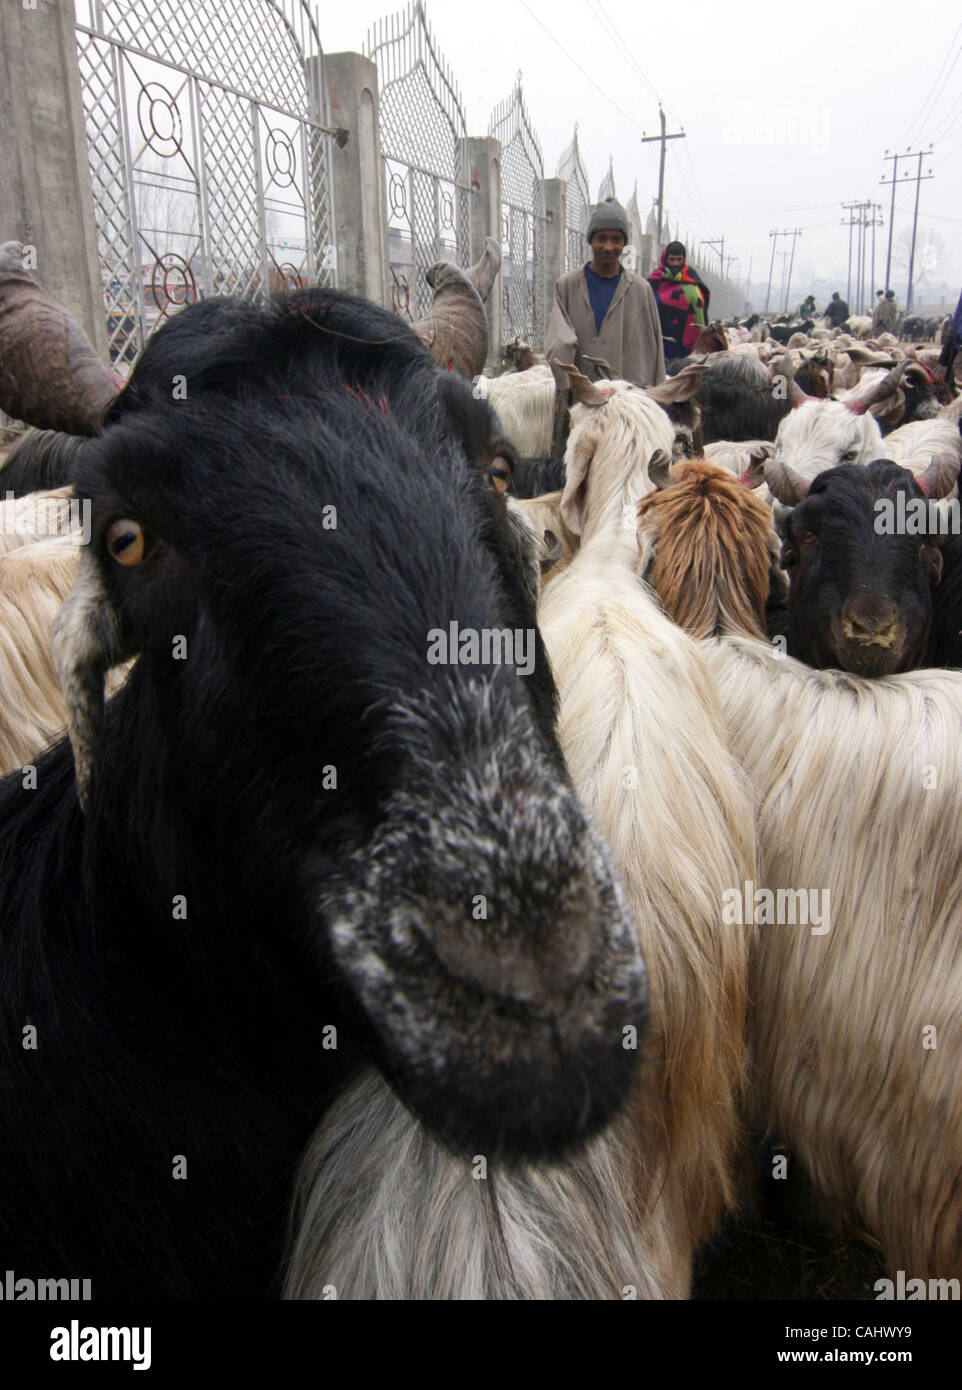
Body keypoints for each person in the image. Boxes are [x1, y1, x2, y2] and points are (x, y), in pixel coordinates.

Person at [544, 197, 665, 386]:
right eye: (601, 238)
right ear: (591, 240)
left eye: (616, 239)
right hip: (580, 403)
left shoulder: (641, 291)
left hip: (626, 404)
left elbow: (651, 355)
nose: (608, 247)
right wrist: (567, 385)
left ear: (624, 243)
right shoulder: (567, 286)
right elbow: (559, 344)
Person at [647, 241, 711, 360]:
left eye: (679, 259)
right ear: (665, 259)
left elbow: (701, 307)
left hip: (687, 348)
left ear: (684, 259)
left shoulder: (692, 279)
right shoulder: (654, 281)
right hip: (657, 344)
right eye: (672, 259)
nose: (676, 263)